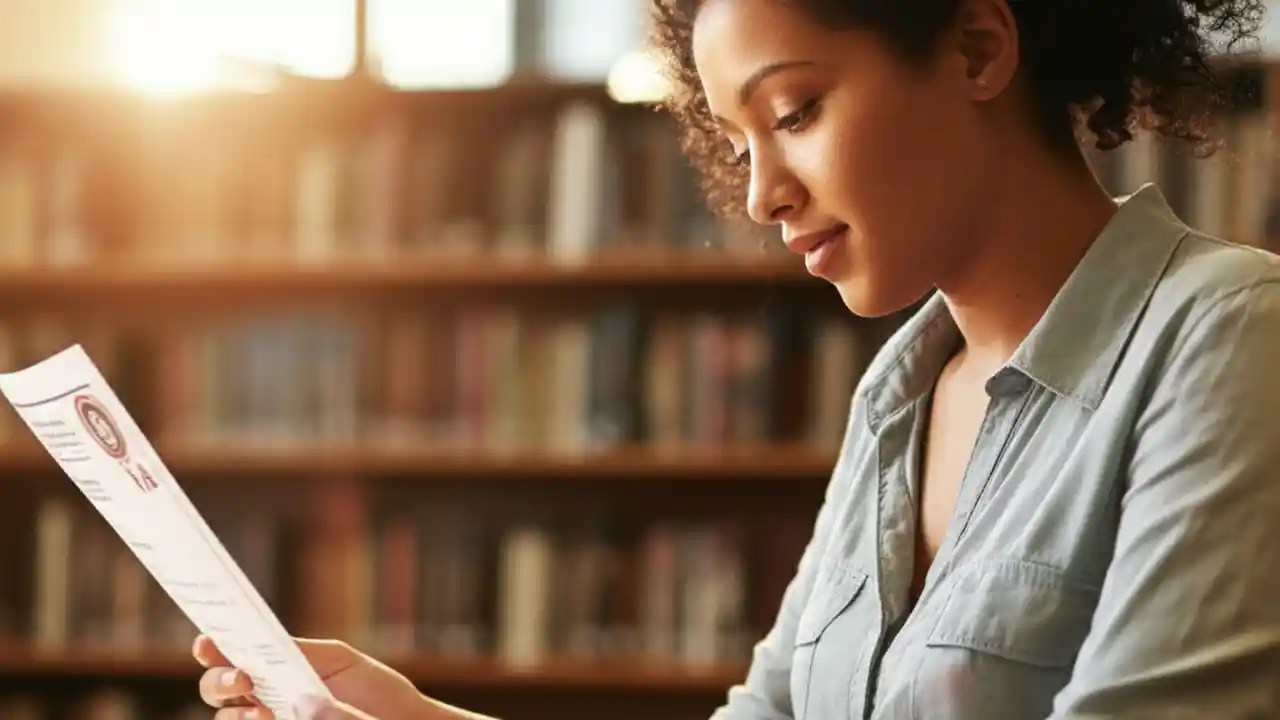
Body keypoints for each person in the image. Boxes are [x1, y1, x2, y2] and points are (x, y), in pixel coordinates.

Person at [194, 0, 1280, 717]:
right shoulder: (896, 399)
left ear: (975, 49)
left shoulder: (1227, 336)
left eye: (794, 111)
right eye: (736, 142)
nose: (761, 193)